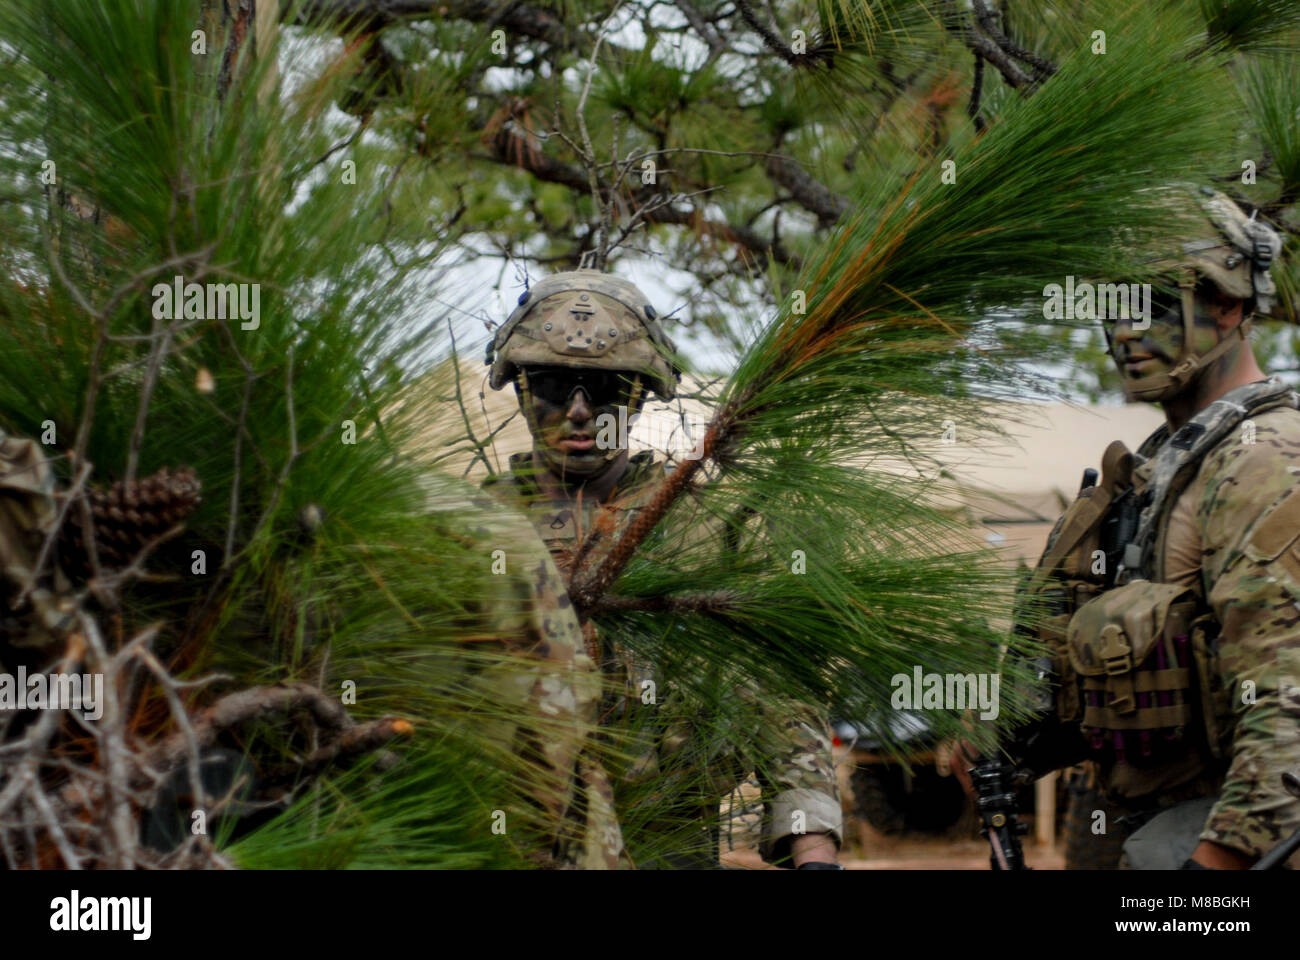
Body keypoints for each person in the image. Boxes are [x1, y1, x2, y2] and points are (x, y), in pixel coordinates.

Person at [957, 187, 1300, 869]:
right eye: (1112, 311)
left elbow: (1287, 712)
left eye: (1152, 308)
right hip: (1143, 826)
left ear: (1228, 305)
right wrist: (1000, 740)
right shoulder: (1152, 471)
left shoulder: (1264, 462)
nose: (1123, 333)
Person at [481, 269, 842, 869]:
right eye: (551, 384)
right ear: (520, 389)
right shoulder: (469, 527)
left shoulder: (699, 527)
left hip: (665, 841)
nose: (577, 411)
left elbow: (779, 695)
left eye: (603, 390)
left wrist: (812, 843)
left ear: (639, 396)